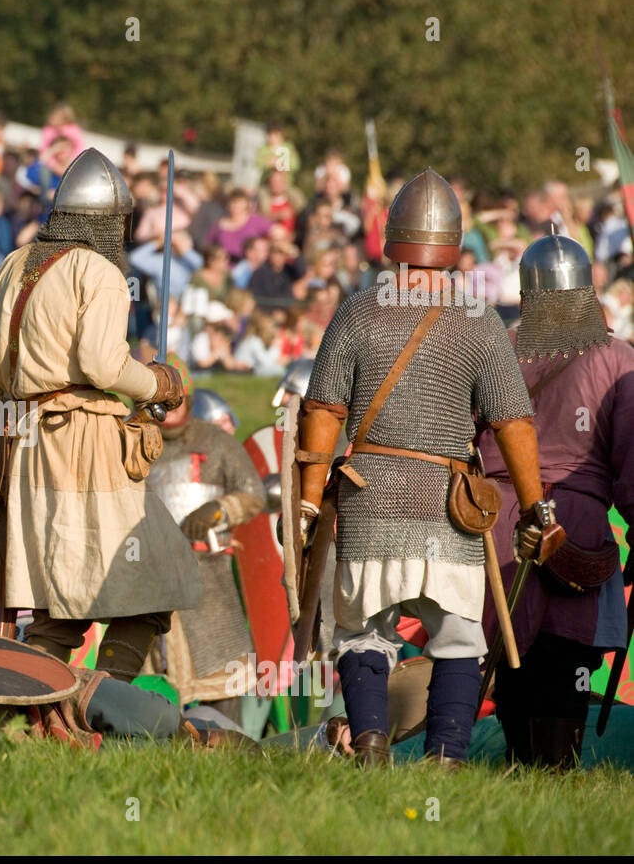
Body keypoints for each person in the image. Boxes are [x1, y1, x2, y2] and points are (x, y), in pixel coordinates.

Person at [297, 168, 556, 766]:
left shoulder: (359, 311)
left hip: (370, 496)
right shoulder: (478, 320)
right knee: (460, 637)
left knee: (364, 633)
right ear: (454, 246)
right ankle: (446, 757)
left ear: (393, 240)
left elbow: (323, 412)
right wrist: (536, 504)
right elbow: (513, 422)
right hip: (447, 503)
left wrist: (310, 502)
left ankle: (368, 742)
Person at [0, 147, 199, 680]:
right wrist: (157, 381)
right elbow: (102, 363)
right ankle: (107, 700)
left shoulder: (11, 266)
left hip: (24, 446)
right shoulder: (100, 271)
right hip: (85, 445)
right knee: (154, 579)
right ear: (113, 221)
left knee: (53, 604)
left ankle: (40, 713)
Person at [476, 235, 634, 769]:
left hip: (500, 523)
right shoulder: (617, 359)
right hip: (578, 524)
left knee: (510, 653)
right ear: (586, 290)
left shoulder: (498, 350)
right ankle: (555, 772)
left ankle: (522, 767)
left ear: (527, 292)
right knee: (567, 656)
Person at [145, 358, 264, 718]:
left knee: (222, 689)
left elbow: (253, 493)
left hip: (207, 575)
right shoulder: (133, 443)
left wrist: (220, 510)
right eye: (163, 403)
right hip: (151, 580)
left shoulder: (218, 442)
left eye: (177, 401)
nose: (171, 410)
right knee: (152, 689)